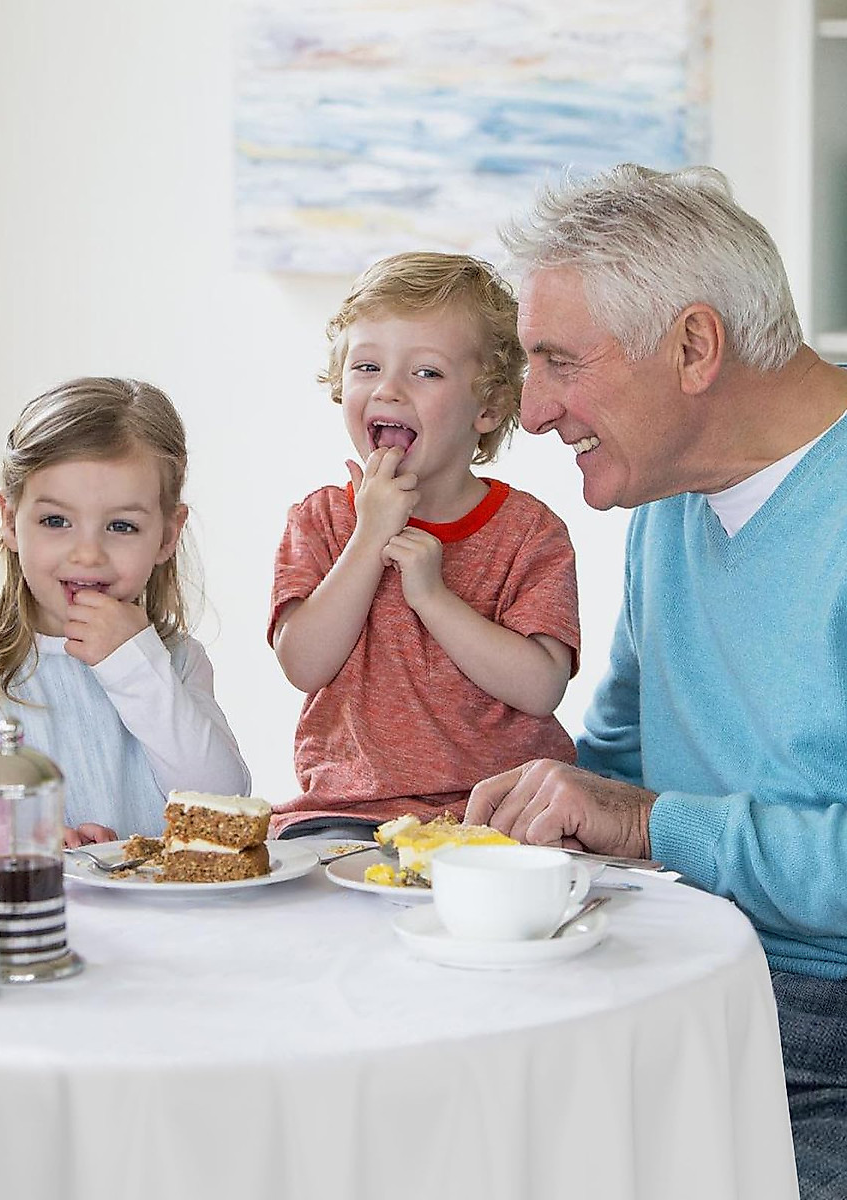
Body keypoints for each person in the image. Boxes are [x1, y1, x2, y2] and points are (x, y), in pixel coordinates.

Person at [464, 164, 847, 1199]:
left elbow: (638, 811)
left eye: (556, 363)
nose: (532, 411)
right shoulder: (672, 503)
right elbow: (617, 764)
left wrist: (647, 826)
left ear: (693, 347)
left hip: (824, 1036)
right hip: (683, 977)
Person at [268, 251, 581, 840]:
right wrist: (368, 538)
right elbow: (303, 663)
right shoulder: (321, 520)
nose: (388, 389)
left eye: (426, 372)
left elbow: (541, 688)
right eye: (366, 367)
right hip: (350, 810)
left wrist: (433, 596)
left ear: (486, 408)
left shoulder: (530, 533)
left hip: (501, 811)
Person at [0, 377, 250, 843]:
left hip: (162, 915)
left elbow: (226, 804)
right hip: (24, 912)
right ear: (10, 520)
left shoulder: (175, 663)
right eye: (56, 521)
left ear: (167, 535)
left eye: (121, 526)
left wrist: (135, 665)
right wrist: (15, 841)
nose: (87, 553)